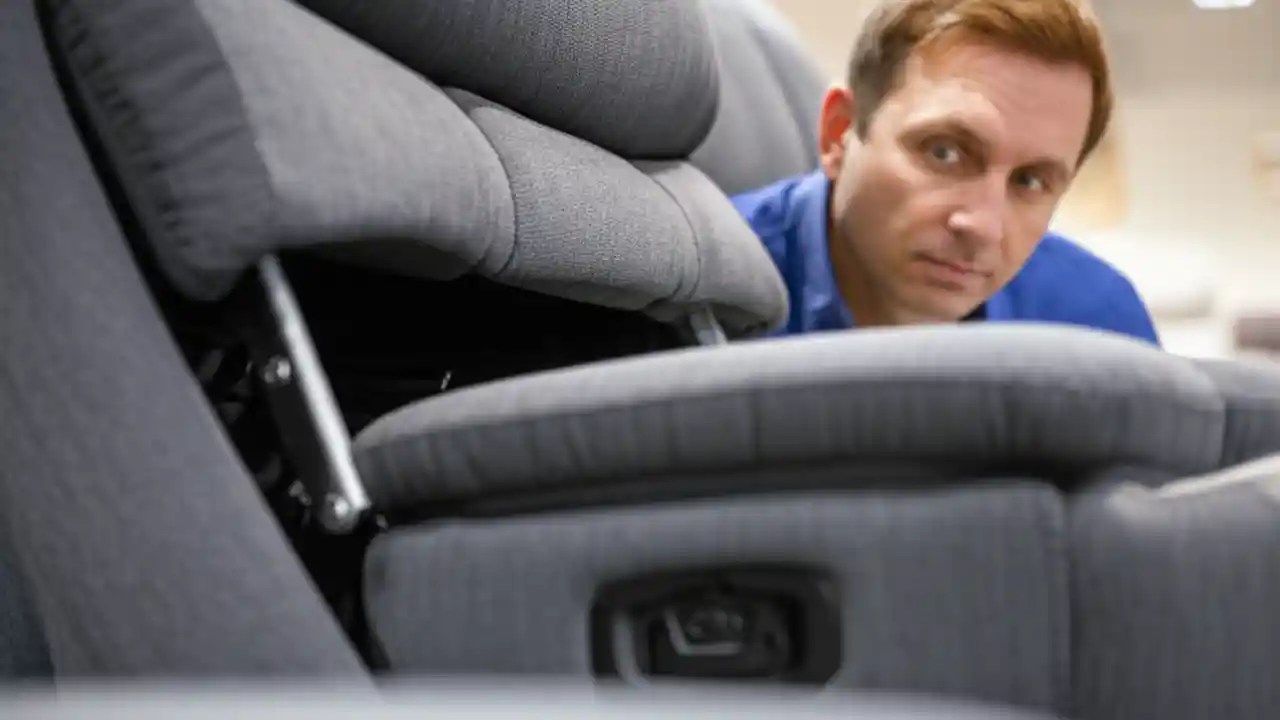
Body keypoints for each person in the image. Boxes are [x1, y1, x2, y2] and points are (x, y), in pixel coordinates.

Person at [732, 0, 1160, 345]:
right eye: (944, 153)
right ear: (838, 132)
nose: (983, 226)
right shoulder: (699, 297)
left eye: (1029, 181)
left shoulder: (1096, 326)